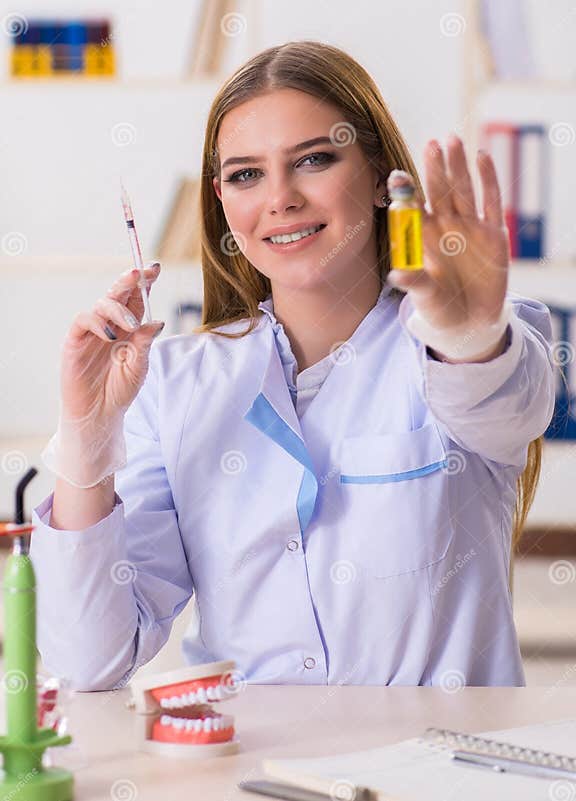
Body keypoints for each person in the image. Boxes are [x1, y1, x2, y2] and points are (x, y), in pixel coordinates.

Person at [30, 40, 555, 691]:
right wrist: (86, 439)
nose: (279, 199)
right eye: (247, 174)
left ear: (377, 177)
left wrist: (466, 332)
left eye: (314, 159)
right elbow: (89, 660)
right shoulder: (172, 382)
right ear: (222, 200)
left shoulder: (467, 345)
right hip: (251, 776)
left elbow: (508, 405)